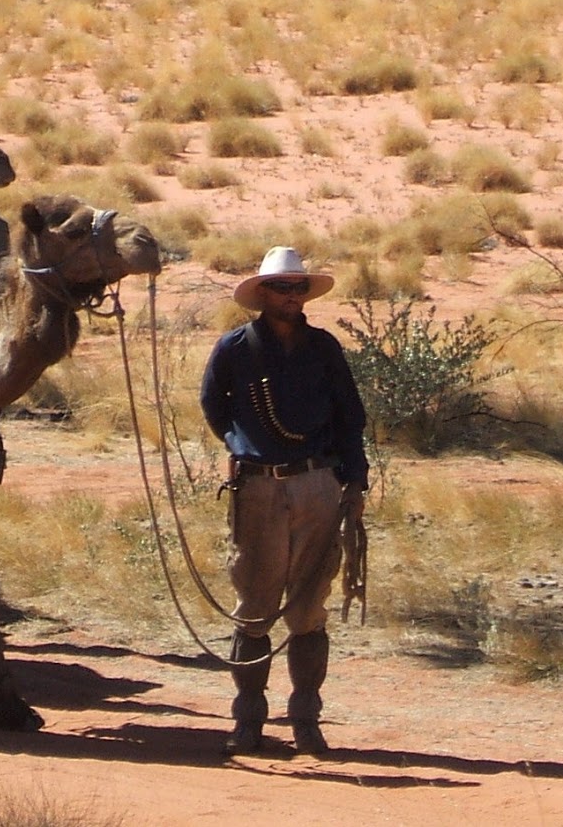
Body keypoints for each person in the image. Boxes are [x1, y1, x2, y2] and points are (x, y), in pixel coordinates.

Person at [199, 246, 369, 756]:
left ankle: (306, 720)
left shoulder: (324, 347)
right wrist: (240, 445)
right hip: (258, 487)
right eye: (281, 288)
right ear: (263, 294)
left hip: (318, 483)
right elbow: (213, 405)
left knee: (310, 607)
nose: (291, 296)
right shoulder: (234, 348)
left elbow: (350, 417)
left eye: (298, 288)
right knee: (254, 605)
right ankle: (248, 720)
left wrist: (355, 482)